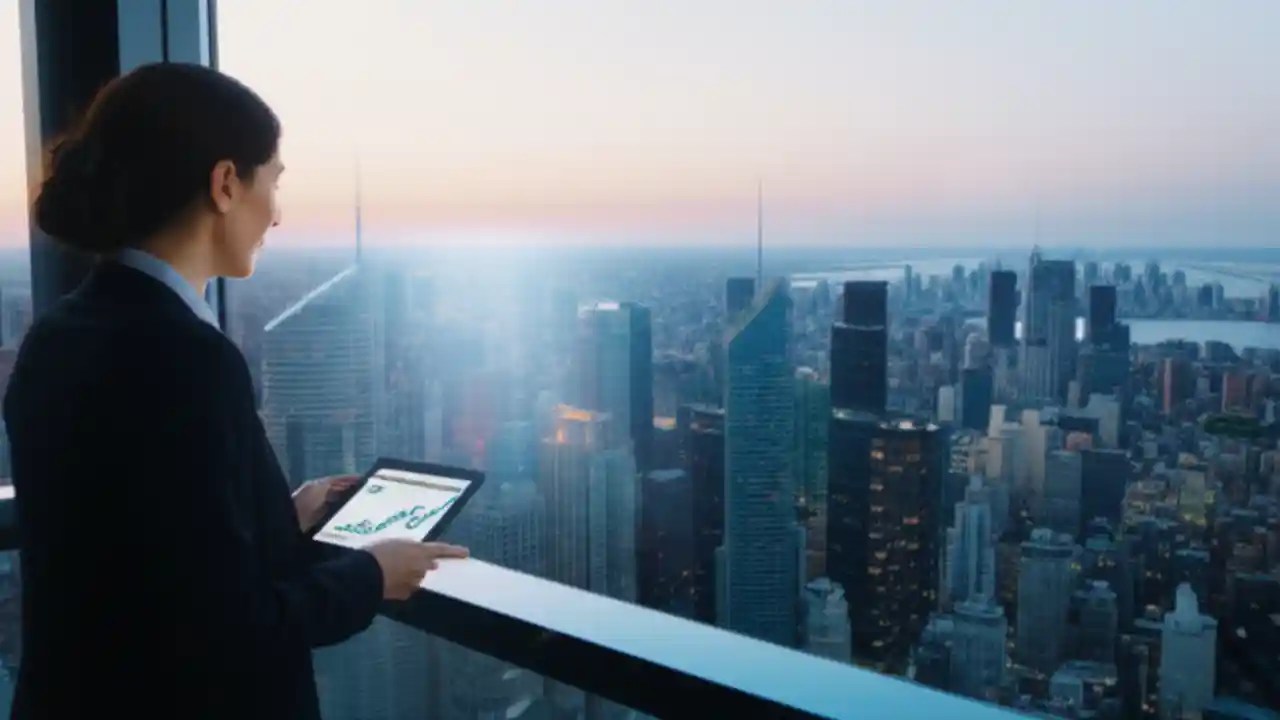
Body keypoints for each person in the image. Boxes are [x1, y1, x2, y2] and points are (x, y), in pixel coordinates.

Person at [2, 62, 468, 718]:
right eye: (273, 182)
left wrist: (275, 516)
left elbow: (132, 549)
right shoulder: (189, 356)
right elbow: (226, 630)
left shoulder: (57, 335)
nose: (276, 215)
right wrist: (373, 574)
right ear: (225, 184)